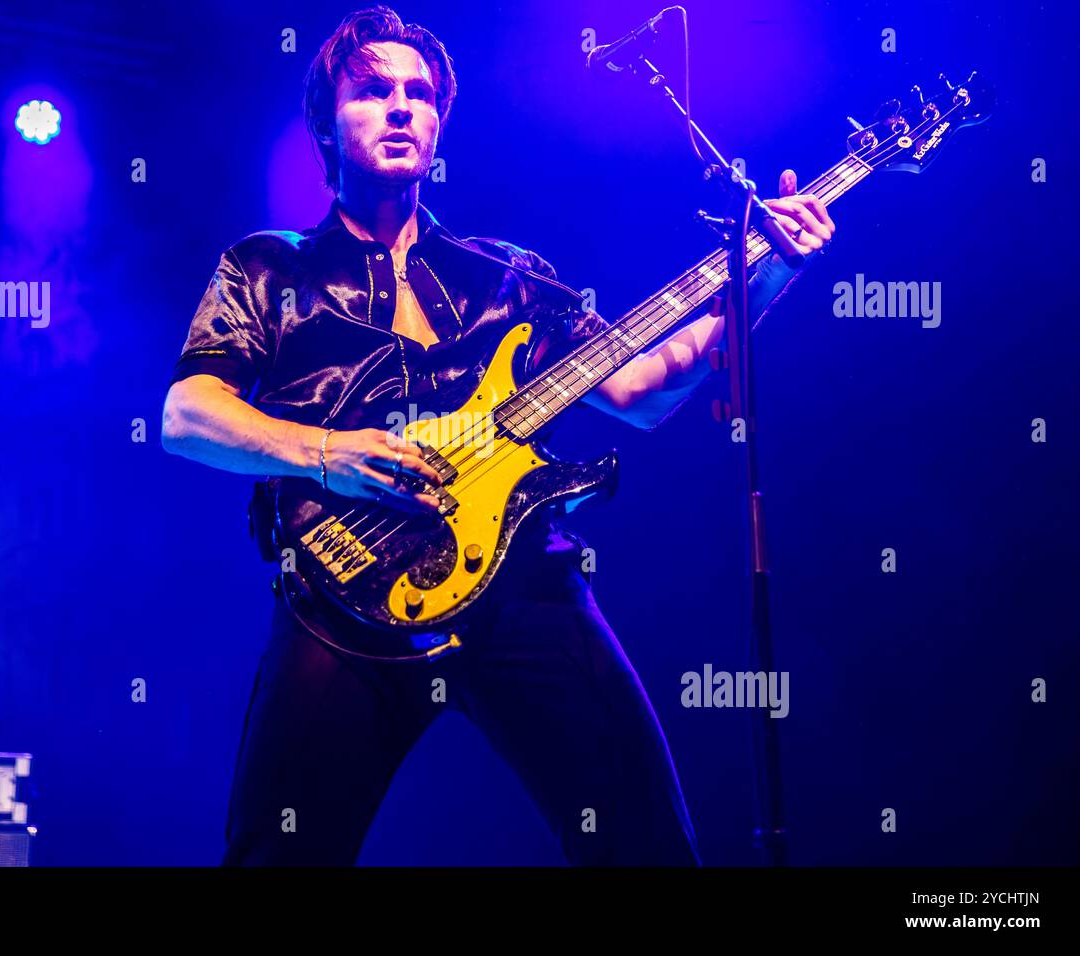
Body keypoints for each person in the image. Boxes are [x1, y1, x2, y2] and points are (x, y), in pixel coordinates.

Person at [161, 5, 833, 865]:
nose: (401, 107)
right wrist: (327, 454)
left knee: (645, 843)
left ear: (441, 125)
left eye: (420, 94)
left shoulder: (508, 274)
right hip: (343, 595)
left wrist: (769, 267)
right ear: (326, 123)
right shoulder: (269, 264)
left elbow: (641, 392)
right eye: (373, 91)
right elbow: (187, 414)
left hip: (524, 584)